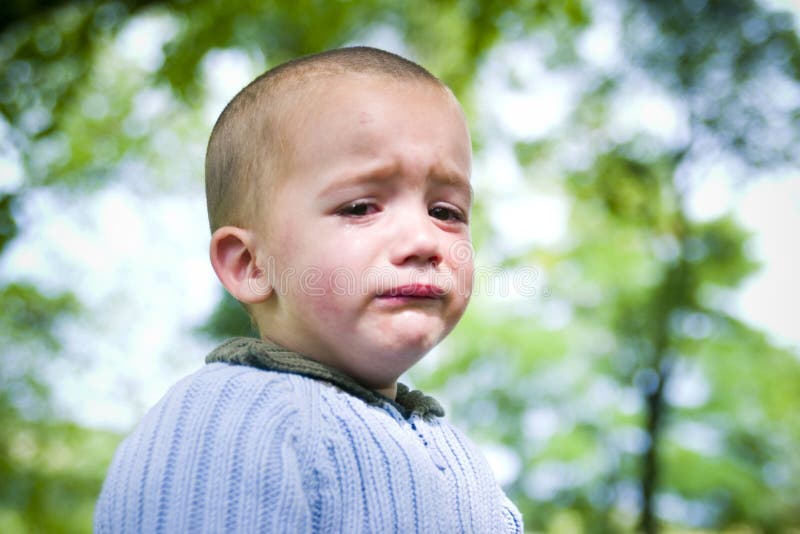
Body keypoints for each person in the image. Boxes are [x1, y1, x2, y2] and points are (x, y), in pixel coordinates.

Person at [95, 46, 523, 533]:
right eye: (361, 207)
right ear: (251, 265)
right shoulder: (232, 422)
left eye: (445, 212)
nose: (423, 240)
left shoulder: (462, 459)